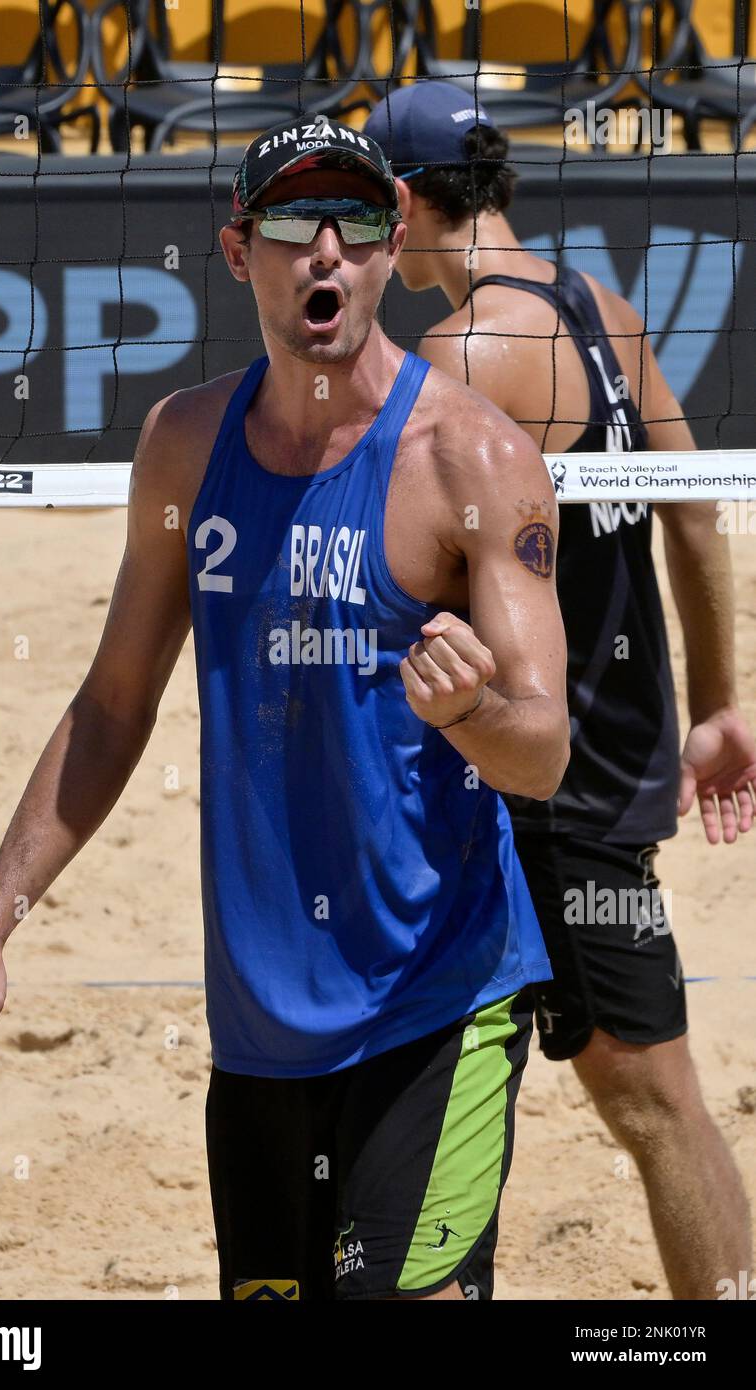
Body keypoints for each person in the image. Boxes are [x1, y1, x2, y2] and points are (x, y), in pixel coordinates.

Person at [0, 118, 569, 1302]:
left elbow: (542, 754)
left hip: (438, 997)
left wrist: (471, 712)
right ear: (237, 251)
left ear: (392, 245)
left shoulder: (472, 458)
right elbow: (112, 707)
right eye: (293, 221)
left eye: (355, 221)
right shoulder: (184, 444)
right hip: (262, 1024)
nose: (326, 250)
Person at [365, 80, 756, 1299]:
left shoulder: (463, 352)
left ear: (400, 202)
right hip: (615, 755)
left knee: (641, 1102)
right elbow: (695, 513)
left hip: (542, 784)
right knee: (638, 1099)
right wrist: (716, 704)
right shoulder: (600, 305)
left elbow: (392, 572)